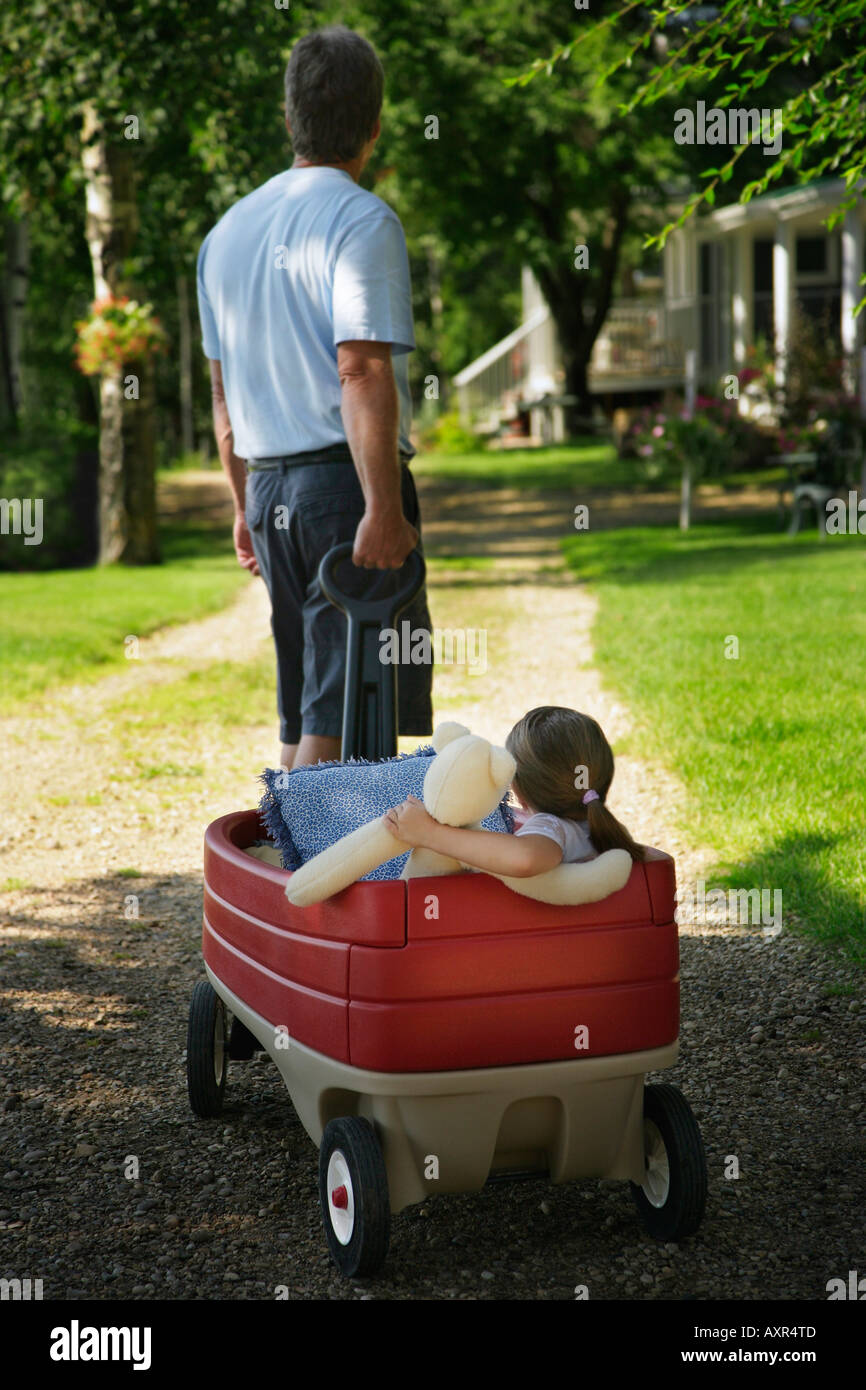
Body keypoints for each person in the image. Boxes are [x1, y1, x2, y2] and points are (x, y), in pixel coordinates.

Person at [196, 25, 433, 771]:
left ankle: (302, 866)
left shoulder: (225, 234)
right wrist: (384, 505)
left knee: (310, 705)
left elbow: (224, 397)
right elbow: (360, 368)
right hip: (342, 488)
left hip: (270, 489)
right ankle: (308, 882)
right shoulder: (362, 219)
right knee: (345, 709)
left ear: (288, 116)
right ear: (375, 124)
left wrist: (243, 508)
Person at [383, 706, 646, 873]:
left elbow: (526, 858)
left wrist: (431, 834)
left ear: (518, 786)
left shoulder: (551, 827)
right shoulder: (604, 827)